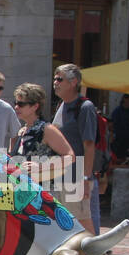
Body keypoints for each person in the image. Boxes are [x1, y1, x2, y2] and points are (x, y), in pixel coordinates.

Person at [52, 63, 100, 234]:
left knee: (83, 223)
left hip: (76, 174)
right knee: (65, 223)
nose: (55, 82)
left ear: (74, 82)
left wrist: (86, 179)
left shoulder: (85, 108)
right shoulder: (61, 106)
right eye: (54, 78)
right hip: (60, 174)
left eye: (59, 79)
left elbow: (89, 145)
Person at [9, 82, 75, 198]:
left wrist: (41, 166)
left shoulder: (47, 129)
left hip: (43, 193)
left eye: (21, 104)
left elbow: (70, 157)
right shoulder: (23, 130)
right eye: (15, 103)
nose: (16, 107)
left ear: (35, 106)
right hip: (22, 193)